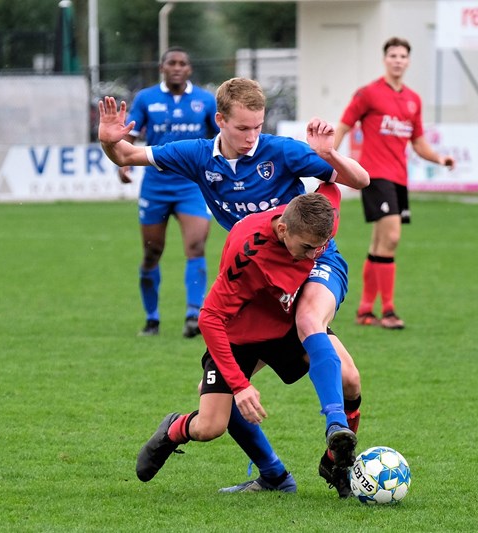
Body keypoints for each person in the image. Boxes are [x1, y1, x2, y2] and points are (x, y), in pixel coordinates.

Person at [98, 77, 369, 497]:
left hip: (309, 262)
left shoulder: (279, 151)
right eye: (243, 128)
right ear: (220, 120)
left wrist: (330, 153)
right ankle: (272, 474)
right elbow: (127, 153)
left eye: (258, 127)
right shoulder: (196, 156)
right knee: (218, 413)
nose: (251, 137)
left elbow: (357, 180)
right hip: (253, 280)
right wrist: (109, 142)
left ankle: (337, 447)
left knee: (328, 347)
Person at [134, 184, 354, 494]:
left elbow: (334, 186)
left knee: (350, 378)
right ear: (282, 230)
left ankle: (337, 455)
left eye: (321, 247)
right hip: (240, 334)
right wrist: (239, 386)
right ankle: (180, 431)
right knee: (210, 426)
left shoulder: (317, 220)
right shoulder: (247, 253)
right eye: (307, 248)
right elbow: (209, 317)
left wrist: (329, 155)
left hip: (284, 323)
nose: (313, 256)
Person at [334, 37, 455, 330]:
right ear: (385, 59)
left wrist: (440, 159)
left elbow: (419, 142)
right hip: (375, 176)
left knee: (380, 242)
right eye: (393, 55)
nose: (398, 60)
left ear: (408, 61)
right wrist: (330, 158)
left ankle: (365, 310)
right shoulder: (368, 94)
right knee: (392, 239)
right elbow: (344, 125)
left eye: (403, 56)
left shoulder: (413, 100)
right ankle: (387, 310)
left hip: (399, 178)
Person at [118, 47, 219, 338]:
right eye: (171, 63)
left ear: (190, 69)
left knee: (197, 247)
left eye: (182, 63)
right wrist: (122, 163)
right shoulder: (147, 98)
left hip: (192, 185)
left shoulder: (205, 100)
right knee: (152, 253)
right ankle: (152, 319)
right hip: (156, 185)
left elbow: (220, 136)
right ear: (162, 67)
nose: (177, 67)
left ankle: (193, 315)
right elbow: (130, 135)